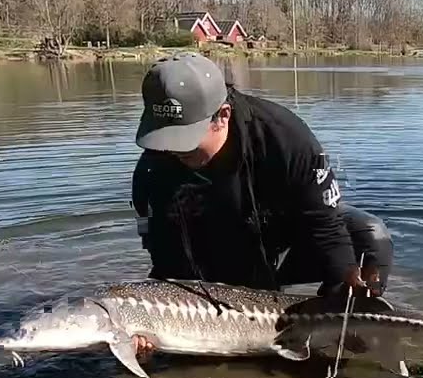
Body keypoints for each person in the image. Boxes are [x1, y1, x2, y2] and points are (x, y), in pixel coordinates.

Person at [128, 52, 394, 353]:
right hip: (216, 264)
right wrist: (152, 326)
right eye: (164, 137)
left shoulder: (285, 139)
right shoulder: (152, 171)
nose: (173, 151)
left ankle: (334, 335)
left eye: (185, 139)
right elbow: (165, 261)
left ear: (222, 116)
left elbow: (326, 228)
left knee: (370, 236)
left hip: (280, 245)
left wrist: (342, 303)